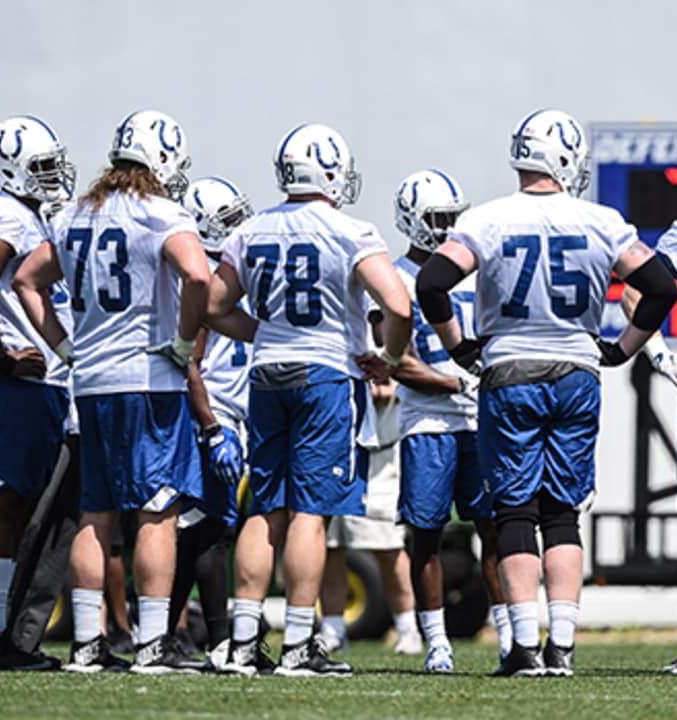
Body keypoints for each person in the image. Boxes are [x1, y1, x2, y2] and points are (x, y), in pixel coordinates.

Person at [416, 109, 677, 676]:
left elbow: (432, 283)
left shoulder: (486, 219)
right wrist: (621, 347)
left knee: (513, 510)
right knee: (562, 514)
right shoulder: (602, 220)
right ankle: (561, 646)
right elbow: (659, 287)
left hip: (509, 369)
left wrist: (460, 347)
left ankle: (525, 648)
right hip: (577, 369)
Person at [207, 123, 412, 677]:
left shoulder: (250, 231)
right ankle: (299, 643)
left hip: (267, 374)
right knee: (311, 512)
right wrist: (388, 360)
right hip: (325, 375)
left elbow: (214, 307)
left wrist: (268, 336)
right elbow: (399, 306)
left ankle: (243, 641)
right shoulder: (350, 231)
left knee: (265, 507)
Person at [13, 110, 210, 674]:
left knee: (95, 512)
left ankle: (86, 643)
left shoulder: (75, 212)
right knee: (156, 510)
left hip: (92, 381)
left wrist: (63, 345)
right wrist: (183, 339)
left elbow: (27, 279)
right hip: (148, 381)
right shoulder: (162, 213)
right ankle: (151, 642)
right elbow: (198, 277)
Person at [0, 116, 77, 671]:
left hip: (35, 383)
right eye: (42, 166)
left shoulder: (28, 215)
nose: (53, 175)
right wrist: (4, 355)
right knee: (4, 504)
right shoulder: (5, 214)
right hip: (13, 382)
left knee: (22, 508)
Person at [386, 169, 508, 672]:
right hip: (428, 424)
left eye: (454, 218)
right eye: (438, 219)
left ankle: (511, 637)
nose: (447, 227)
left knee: (497, 530)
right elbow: (398, 362)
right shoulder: (394, 277)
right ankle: (435, 641)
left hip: (479, 421)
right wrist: (458, 383)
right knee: (427, 533)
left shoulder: (476, 272)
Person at [169, 176, 254, 666]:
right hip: (213, 413)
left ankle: (169, 631)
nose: (238, 227)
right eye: (227, 219)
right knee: (208, 526)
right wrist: (212, 427)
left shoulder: (225, 269)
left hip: (229, 411)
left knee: (208, 526)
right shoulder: (199, 274)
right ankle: (217, 638)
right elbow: (190, 362)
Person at [319, 379, 421, 658]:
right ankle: (333, 629)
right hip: (335, 448)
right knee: (329, 545)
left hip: (381, 456)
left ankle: (408, 627)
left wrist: (380, 390)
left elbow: (406, 380)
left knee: (388, 547)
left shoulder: (390, 337)